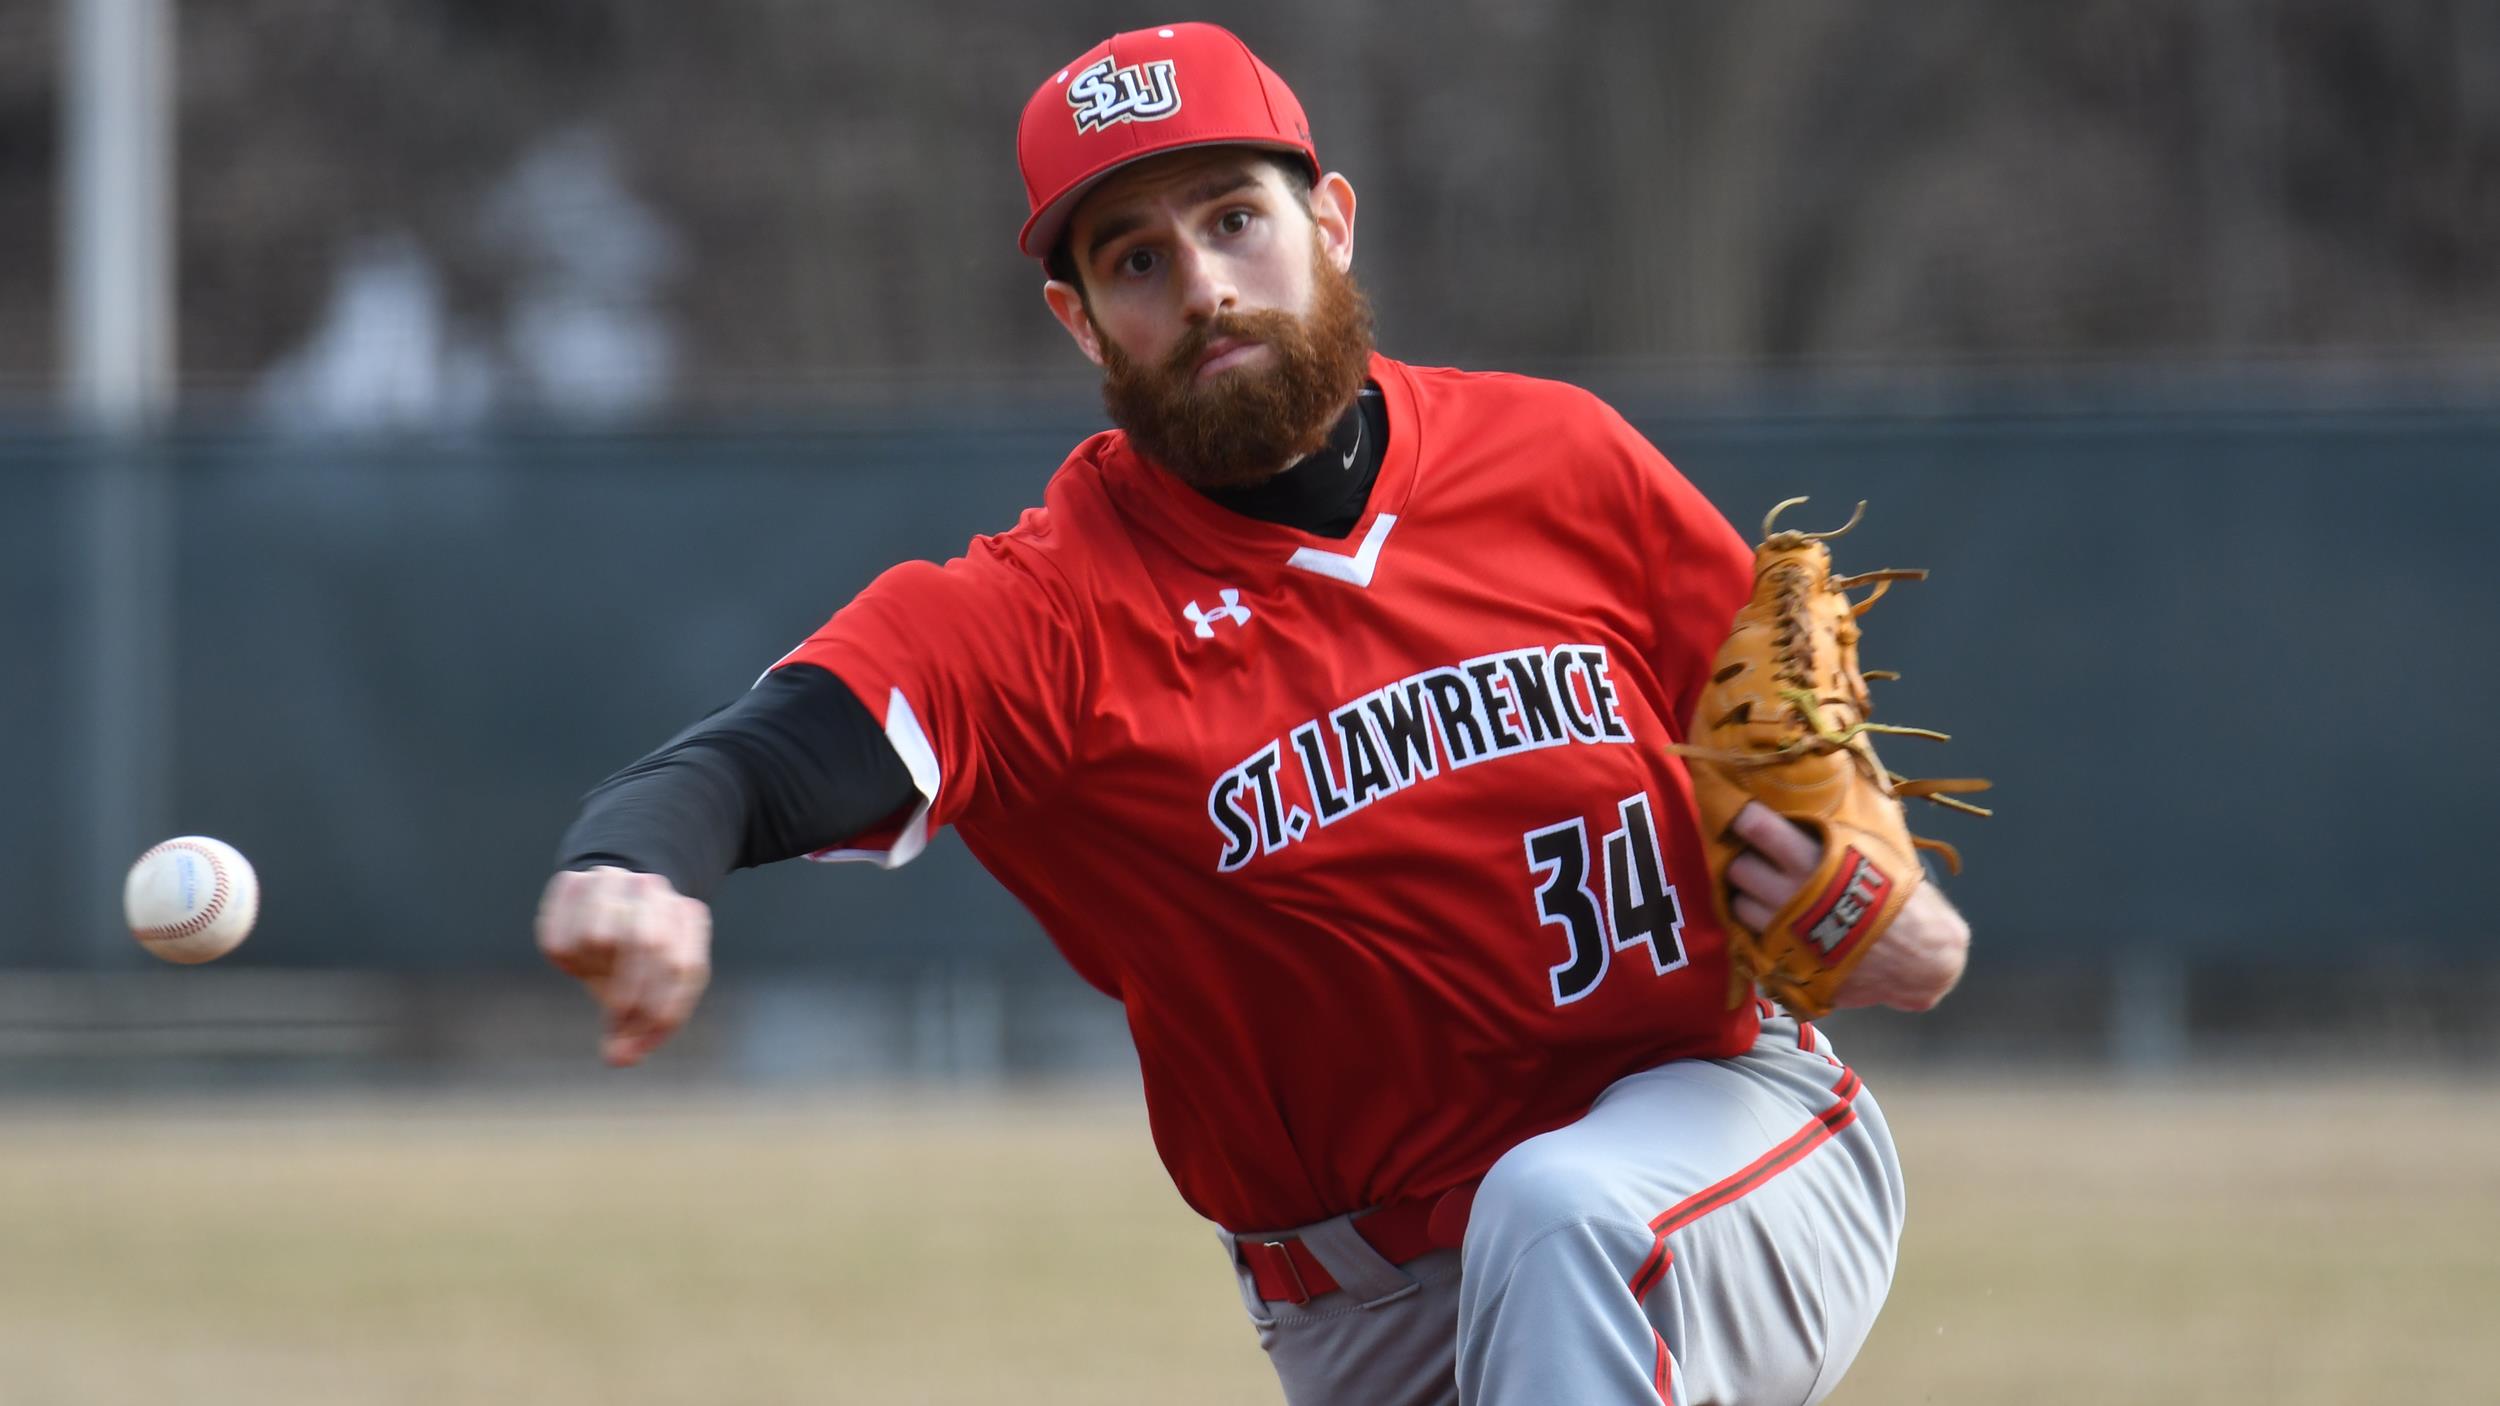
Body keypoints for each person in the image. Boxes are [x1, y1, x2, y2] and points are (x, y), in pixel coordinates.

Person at [535, 21, 1970, 1406]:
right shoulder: (1053, 613)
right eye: (1137, 259)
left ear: (1332, 222)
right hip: (1358, 1306)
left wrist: (1905, 912)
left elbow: (1794, 744)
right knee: (1550, 1232)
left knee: (1562, 1210)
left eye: (1236, 218)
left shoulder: (1563, 459)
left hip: (1725, 1142)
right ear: (1079, 320)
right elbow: (755, 756)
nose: (1205, 284)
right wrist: (637, 862)